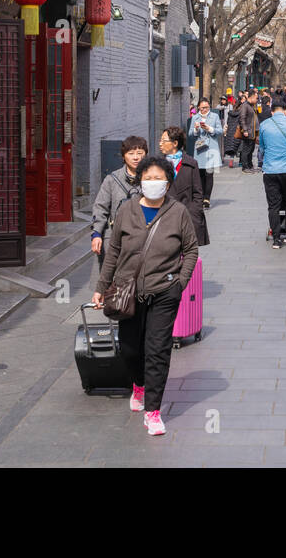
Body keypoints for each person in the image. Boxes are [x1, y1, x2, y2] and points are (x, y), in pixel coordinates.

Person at [92, 155, 199, 435]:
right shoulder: (127, 210)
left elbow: (191, 250)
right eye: (148, 178)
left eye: (159, 178)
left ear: (168, 181)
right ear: (140, 181)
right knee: (130, 348)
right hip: (128, 291)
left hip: (164, 291)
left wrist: (180, 282)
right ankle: (138, 384)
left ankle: (153, 411)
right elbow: (113, 252)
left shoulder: (178, 212)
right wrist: (101, 287)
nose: (154, 183)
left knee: (157, 350)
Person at [91, 136, 148, 268]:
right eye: (131, 153)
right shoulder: (112, 180)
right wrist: (96, 234)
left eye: (140, 153)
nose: (136, 157)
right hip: (117, 237)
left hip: (145, 238)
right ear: (123, 156)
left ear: (145, 155)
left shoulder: (151, 178)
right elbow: (100, 208)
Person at [258, 95, 286, 249]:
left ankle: (276, 238)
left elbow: (262, 148)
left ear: (271, 111)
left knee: (273, 205)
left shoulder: (264, 125)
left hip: (270, 170)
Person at [160, 126, 210, 247]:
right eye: (160, 140)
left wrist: (194, 212)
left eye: (163, 141)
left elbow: (198, 193)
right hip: (164, 216)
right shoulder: (157, 164)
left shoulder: (191, 163)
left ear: (175, 143)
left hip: (187, 216)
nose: (160, 143)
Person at [188, 99, 221, 207]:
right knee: (200, 174)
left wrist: (209, 128)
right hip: (200, 148)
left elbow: (220, 131)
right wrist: (196, 129)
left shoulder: (214, 117)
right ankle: (201, 197)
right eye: (202, 108)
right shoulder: (195, 118)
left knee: (209, 173)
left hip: (211, 148)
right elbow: (190, 134)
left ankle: (207, 199)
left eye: (206, 107)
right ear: (198, 108)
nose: (205, 110)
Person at [237, 90, 259, 173]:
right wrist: (245, 130)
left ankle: (250, 165)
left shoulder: (252, 106)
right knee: (246, 149)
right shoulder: (245, 105)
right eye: (256, 98)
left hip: (252, 132)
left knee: (251, 149)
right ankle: (245, 167)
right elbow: (242, 118)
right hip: (248, 131)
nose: (257, 100)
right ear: (252, 97)